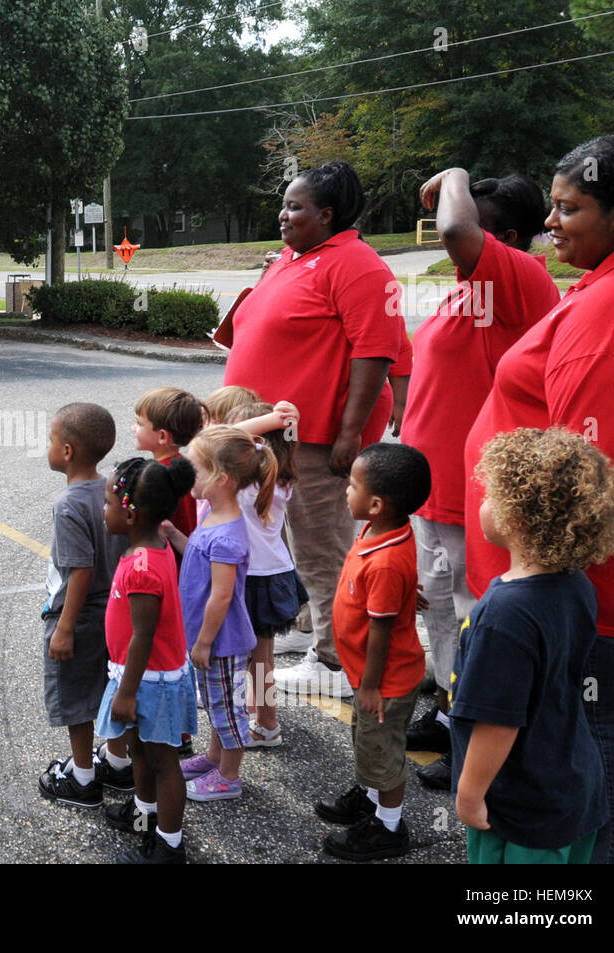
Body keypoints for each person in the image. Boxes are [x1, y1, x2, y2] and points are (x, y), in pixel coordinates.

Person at [463, 134, 614, 863]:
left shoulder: (612, 320)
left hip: (588, 601)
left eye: (569, 208)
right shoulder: (608, 286)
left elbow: (593, 476)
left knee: (595, 758)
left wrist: (534, 578)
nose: (551, 223)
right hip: (568, 594)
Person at [402, 168, 561, 791]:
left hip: (477, 494)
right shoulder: (472, 290)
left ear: (509, 237)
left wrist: (454, 177)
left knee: (477, 618)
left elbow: (456, 230)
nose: (453, 241)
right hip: (433, 488)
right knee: (442, 611)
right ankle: (449, 712)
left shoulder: (521, 276)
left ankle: (477, 740)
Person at [224, 161, 407, 700]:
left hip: (318, 441)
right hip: (266, 437)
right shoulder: (293, 257)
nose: (283, 214)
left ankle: (333, 659)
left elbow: (375, 353)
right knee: (269, 542)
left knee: (320, 549)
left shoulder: (359, 266)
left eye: (295, 207)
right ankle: (294, 627)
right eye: (284, 204)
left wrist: (350, 436)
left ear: (327, 214)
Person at [453, 428, 614, 864]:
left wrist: (470, 795)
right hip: (571, 783)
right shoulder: (576, 585)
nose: (483, 503)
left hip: (520, 808)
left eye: (490, 495)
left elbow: (498, 721)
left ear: (519, 517)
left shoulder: (505, 615)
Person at [317, 443, 431, 861]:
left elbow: (380, 631)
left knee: (382, 753)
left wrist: (369, 687)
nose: (346, 491)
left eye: (352, 486)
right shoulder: (381, 531)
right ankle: (369, 798)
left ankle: (389, 826)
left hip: (384, 681)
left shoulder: (384, 560)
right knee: (368, 743)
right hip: (372, 676)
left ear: (377, 504)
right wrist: (404, 596)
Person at [97, 457, 198, 862]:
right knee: (140, 751)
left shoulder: (141, 567)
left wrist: (126, 692)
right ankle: (145, 815)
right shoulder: (150, 548)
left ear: (130, 511)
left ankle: (169, 845)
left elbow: (143, 635)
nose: (104, 511)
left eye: (108, 503)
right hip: (143, 676)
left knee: (161, 759)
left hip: (148, 681)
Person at [172, 426, 275, 802]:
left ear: (222, 479)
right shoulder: (213, 517)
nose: (189, 477)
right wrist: (174, 536)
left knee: (228, 711)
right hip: (212, 638)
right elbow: (199, 556)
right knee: (217, 703)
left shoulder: (228, 534)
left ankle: (229, 777)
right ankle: (215, 757)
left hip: (221, 640)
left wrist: (202, 642)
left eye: (195, 470)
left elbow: (221, 596)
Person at [37, 402, 127, 808]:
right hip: (115, 611)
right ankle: (119, 765)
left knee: (76, 696)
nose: (48, 445)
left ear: (68, 451)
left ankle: (84, 779)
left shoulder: (68, 503)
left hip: (81, 613)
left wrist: (65, 628)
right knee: (111, 687)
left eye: (52, 439)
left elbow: (81, 570)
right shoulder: (113, 487)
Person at [222, 401, 308, 747]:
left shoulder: (244, 484)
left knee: (255, 657)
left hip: (252, 576)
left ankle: (267, 724)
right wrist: (288, 425)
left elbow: (221, 440)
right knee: (264, 655)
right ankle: (261, 710)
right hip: (275, 571)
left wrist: (272, 420)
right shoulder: (281, 476)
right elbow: (286, 442)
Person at [133, 386, 203, 543]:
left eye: (139, 423)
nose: (133, 428)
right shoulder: (186, 466)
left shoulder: (155, 477)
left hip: (167, 554)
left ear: (162, 436)